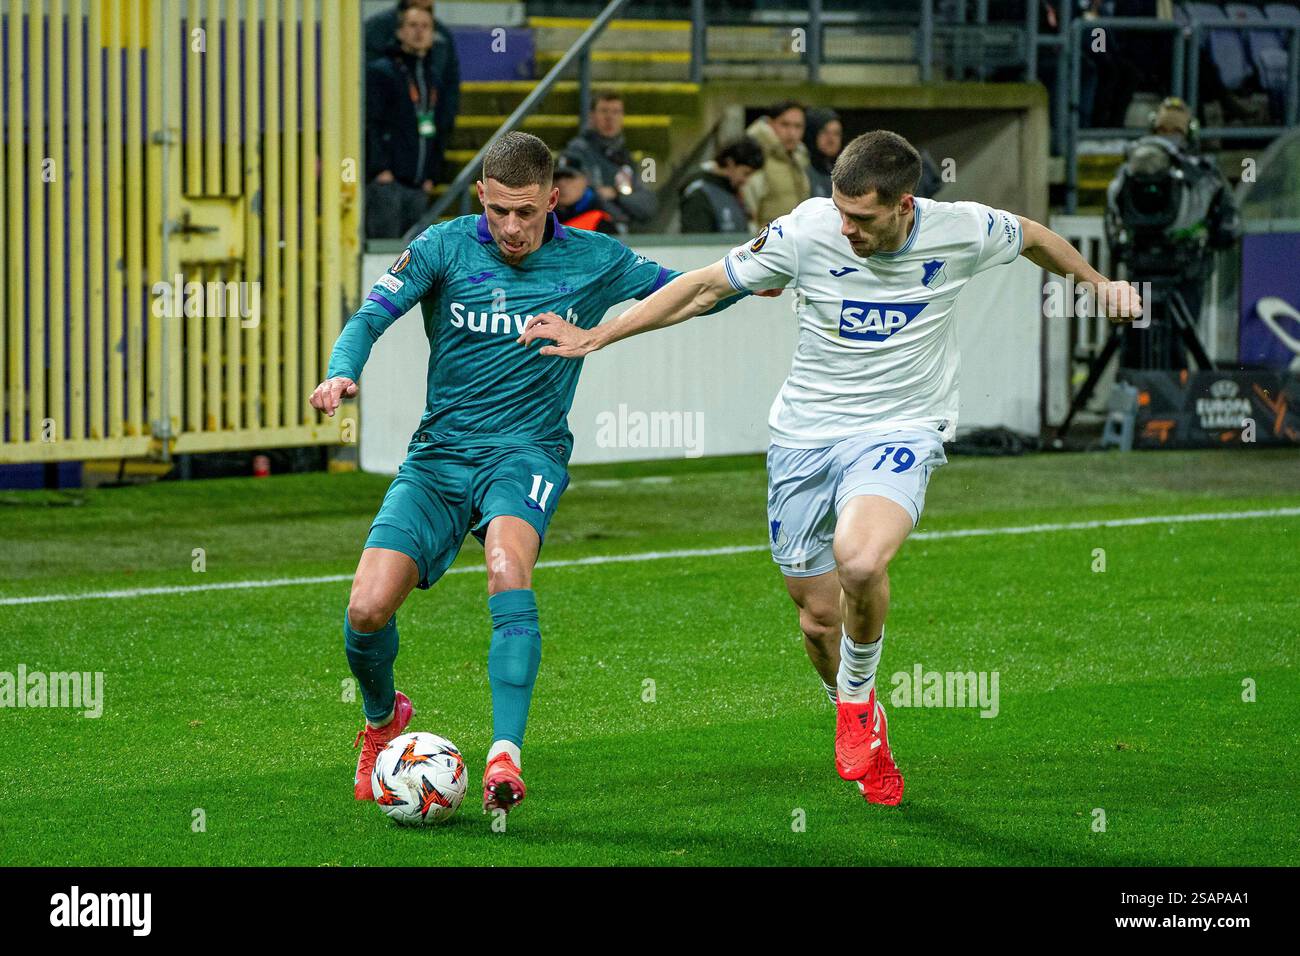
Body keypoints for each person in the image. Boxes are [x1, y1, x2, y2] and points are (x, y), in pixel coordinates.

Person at [519, 130, 1142, 806]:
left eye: (863, 219)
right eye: (840, 213)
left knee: (863, 562)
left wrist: (1097, 283)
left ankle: (852, 709)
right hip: (803, 441)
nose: (845, 229)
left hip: (901, 428)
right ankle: (863, 709)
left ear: (906, 204)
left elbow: (1033, 236)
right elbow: (701, 289)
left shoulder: (960, 229)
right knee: (818, 621)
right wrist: (597, 336)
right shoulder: (807, 230)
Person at [309, 131, 756, 816]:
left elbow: (692, 295)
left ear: (554, 198)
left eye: (527, 212)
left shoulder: (595, 258)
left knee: (506, 568)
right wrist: (341, 371)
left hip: (527, 453)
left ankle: (504, 756)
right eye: (499, 212)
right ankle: (382, 721)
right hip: (438, 458)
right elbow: (370, 318)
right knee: (366, 609)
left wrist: (754, 271)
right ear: (481, 196)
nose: (513, 228)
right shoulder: (442, 247)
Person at [364, 3, 460, 238]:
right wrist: (380, 170)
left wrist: (430, 175)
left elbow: (440, 126)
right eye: (413, 25)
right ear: (399, 32)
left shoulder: (433, 79)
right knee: (384, 258)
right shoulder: (381, 72)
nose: (419, 31)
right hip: (387, 184)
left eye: (425, 26)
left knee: (415, 261)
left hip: (419, 185)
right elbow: (371, 124)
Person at [561, 91, 657, 231]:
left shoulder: (627, 157)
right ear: (592, 116)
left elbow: (649, 204)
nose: (610, 118)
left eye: (616, 112)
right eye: (604, 111)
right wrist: (622, 207)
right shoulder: (577, 153)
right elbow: (579, 197)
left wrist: (616, 194)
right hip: (589, 232)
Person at [741, 100, 810, 226]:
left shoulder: (800, 158)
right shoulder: (756, 156)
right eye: (785, 124)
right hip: (766, 242)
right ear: (770, 124)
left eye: (798, 126)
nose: (792, 133)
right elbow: (749, 213)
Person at [678, 137, 764, 233]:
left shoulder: (730, 190)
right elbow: (696, 241)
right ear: (730, 163)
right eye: (746, 173)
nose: (746, 181)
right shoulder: (699, 194)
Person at [553, 154, 617, 234]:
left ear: (585, 180)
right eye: (556, 178)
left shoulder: (601, 220)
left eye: (569, 177)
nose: (561, 184)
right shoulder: (541, 218)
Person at [803, 108, 841, 199]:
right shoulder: (802, 168)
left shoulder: (842, 172)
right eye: (825, 132)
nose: (831, 139)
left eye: (836, 133)